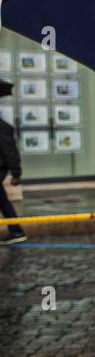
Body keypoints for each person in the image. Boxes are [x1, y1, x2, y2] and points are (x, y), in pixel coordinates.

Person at [0, 81, 26, 246]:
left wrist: (16, 173)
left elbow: (9, 150)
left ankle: (16, 230)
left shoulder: (2, 127)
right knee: (2, 200)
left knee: (2, 200)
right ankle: (16, 230)